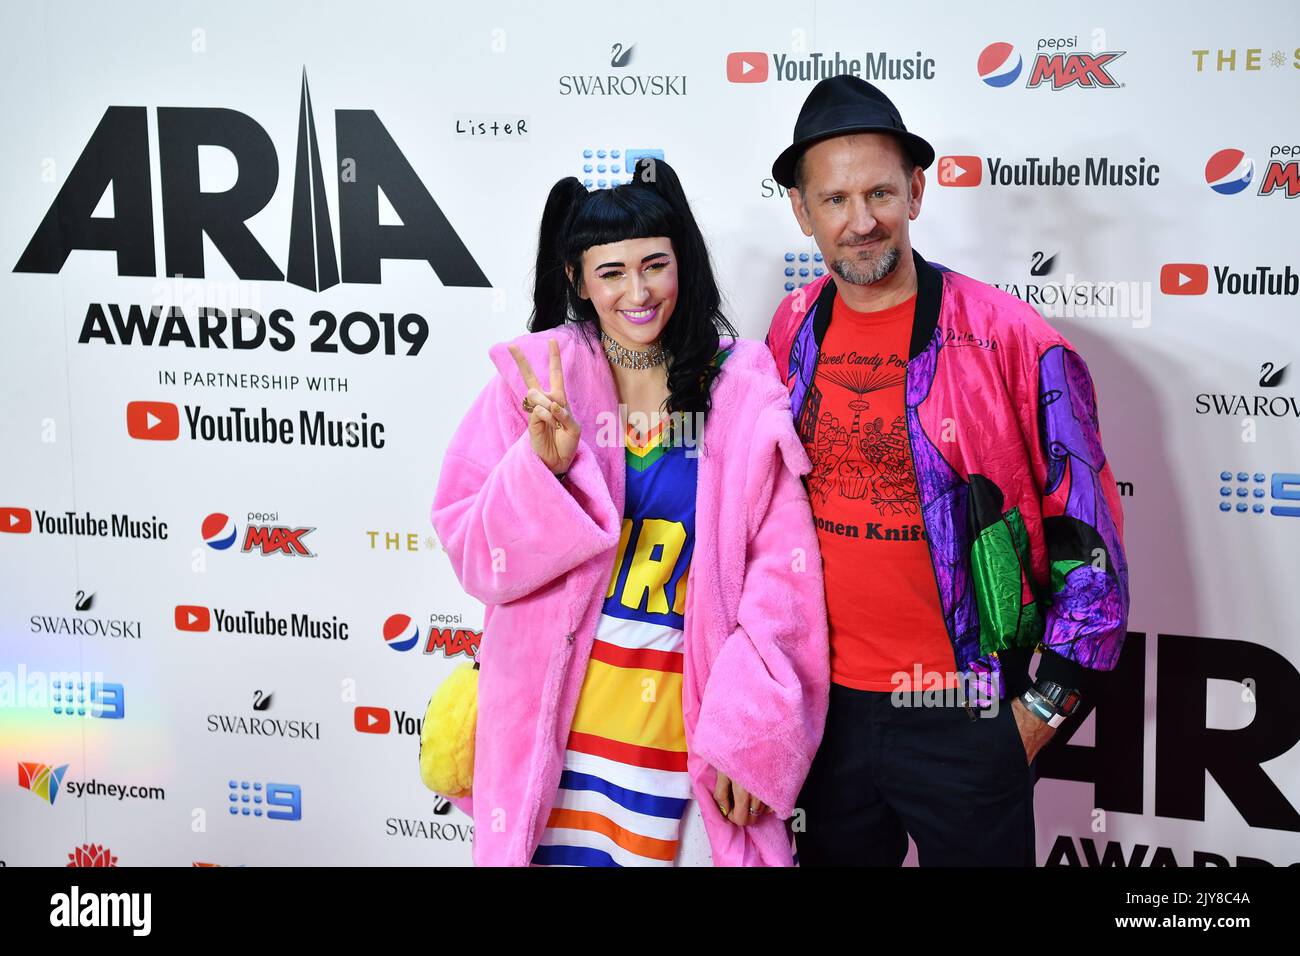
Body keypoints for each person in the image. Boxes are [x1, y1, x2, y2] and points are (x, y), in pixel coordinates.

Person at [764, 75, 1130, 866]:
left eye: (880, 194)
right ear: (801, 210)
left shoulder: (1012, 339)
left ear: (917, 192)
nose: (861, 223)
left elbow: (1090, 543)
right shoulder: (789, 331)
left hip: (964, 712)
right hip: (825, 712)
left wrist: (1042, 710)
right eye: (834, 201)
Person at [431, 158, 829, 866]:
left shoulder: (739, 389)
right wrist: (541, 469)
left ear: (685, 266)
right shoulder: (530, 382)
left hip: (683, 730)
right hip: (556, 730)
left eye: (655, 265)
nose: (638, 292)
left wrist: (753, 732)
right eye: (611, 272)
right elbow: (472, 550)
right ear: (577, 281)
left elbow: (782, 582)